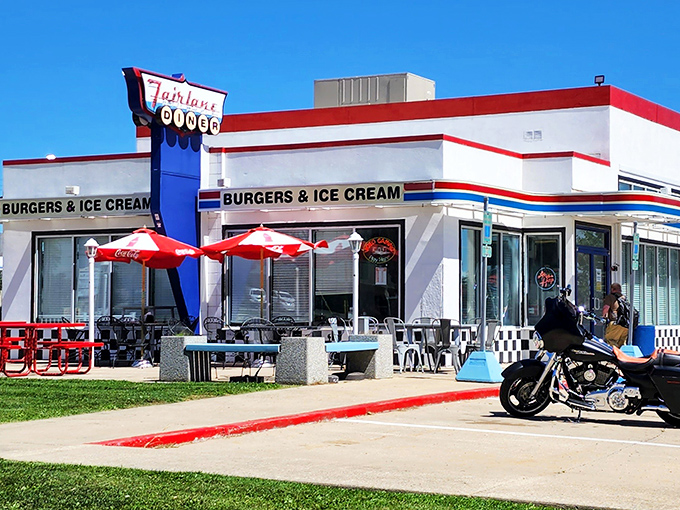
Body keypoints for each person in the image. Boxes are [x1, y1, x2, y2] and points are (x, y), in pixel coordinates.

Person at [602, 283, 628, 348]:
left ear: (612, 289)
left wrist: (603, 316)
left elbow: (606, 307)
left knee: (611, 341)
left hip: (615, 323)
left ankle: (612, 357)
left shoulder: (610, 297)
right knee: (621, 344)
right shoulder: (624, 298)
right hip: (625, 325)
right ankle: (622, 357)